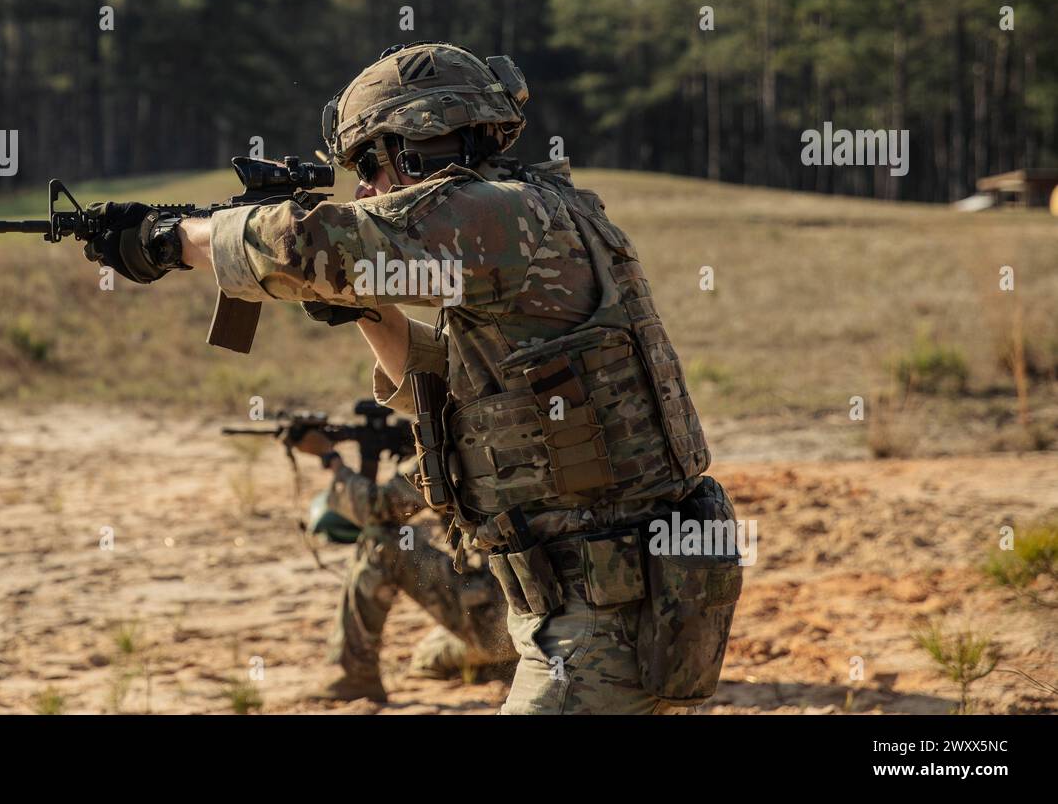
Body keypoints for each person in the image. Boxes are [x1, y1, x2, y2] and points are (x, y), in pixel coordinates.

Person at [83, 42, 741, 714]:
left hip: (602, 620)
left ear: (425, 145)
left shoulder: (501, 215)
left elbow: (306, 243)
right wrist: (368, 308)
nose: (365, 188)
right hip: (609, 607)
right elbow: (461, 389)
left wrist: (168, 239)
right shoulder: (542, 212)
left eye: (371, 162)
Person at [289, 437, 516, 703]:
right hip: (560, 622)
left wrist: (329, 457)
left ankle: (357, 677)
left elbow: (376, 508)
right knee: (427, 656)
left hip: (499, 622)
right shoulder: (561, 424)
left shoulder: (457, 435)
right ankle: (509, 663)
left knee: (383, 540)